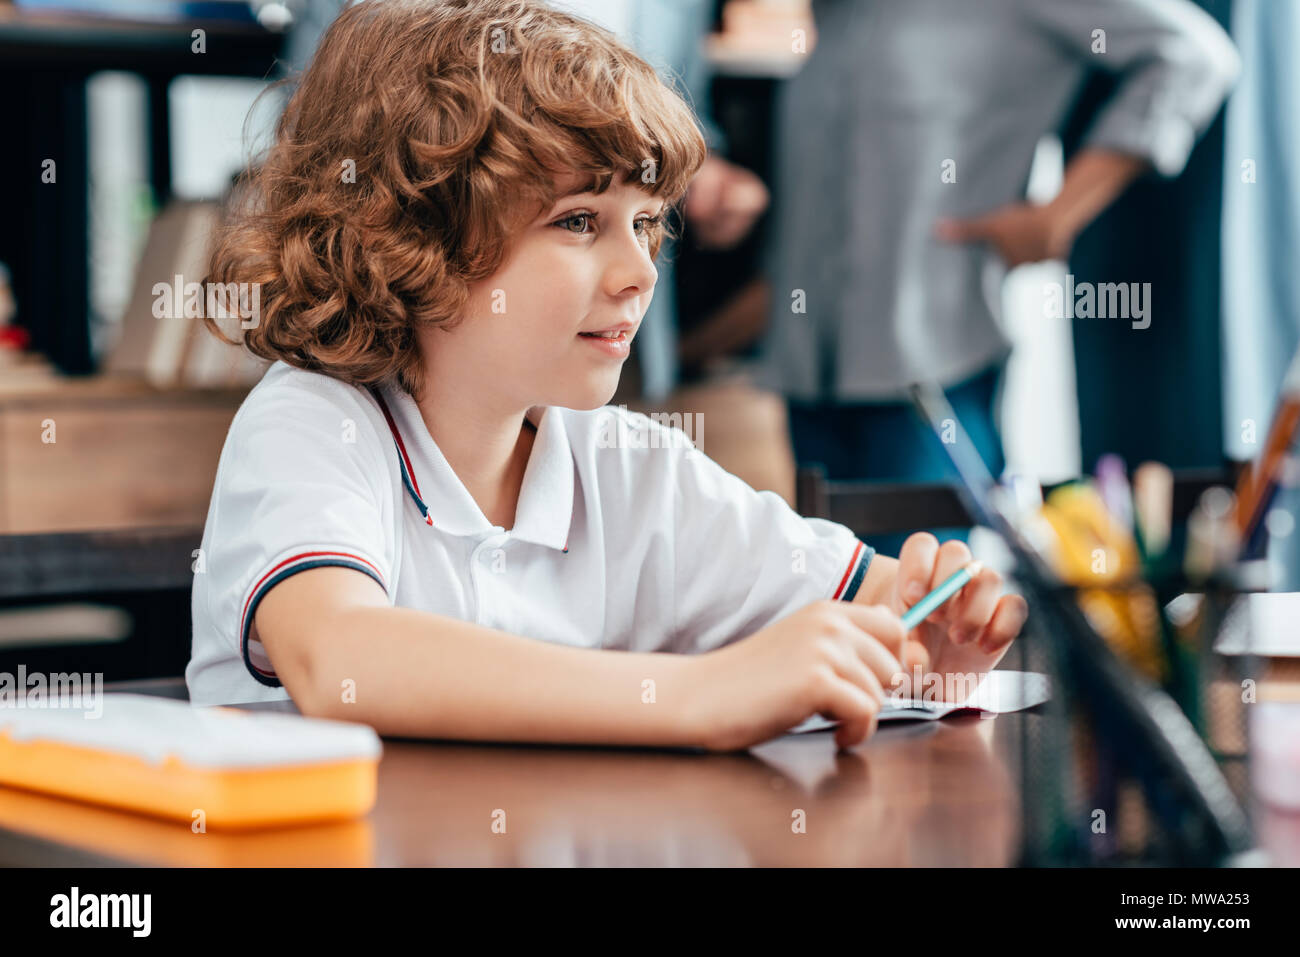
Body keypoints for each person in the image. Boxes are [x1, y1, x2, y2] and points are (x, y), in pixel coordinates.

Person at [187, 0, 1027, 752]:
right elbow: (345, 662)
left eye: (648, 222)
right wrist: (701, 696)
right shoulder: (313, 425)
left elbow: (874, 602)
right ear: (413, 245)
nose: (640, 274)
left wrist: (924, 644)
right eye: (580, 221)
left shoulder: (628, 466)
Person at [755, 0, 1240, 551]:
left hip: (931, 375)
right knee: (837, 611)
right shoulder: (836, 12)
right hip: (806, 384)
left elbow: (1196, 56)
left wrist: (1059, 214)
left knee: (926, 617)